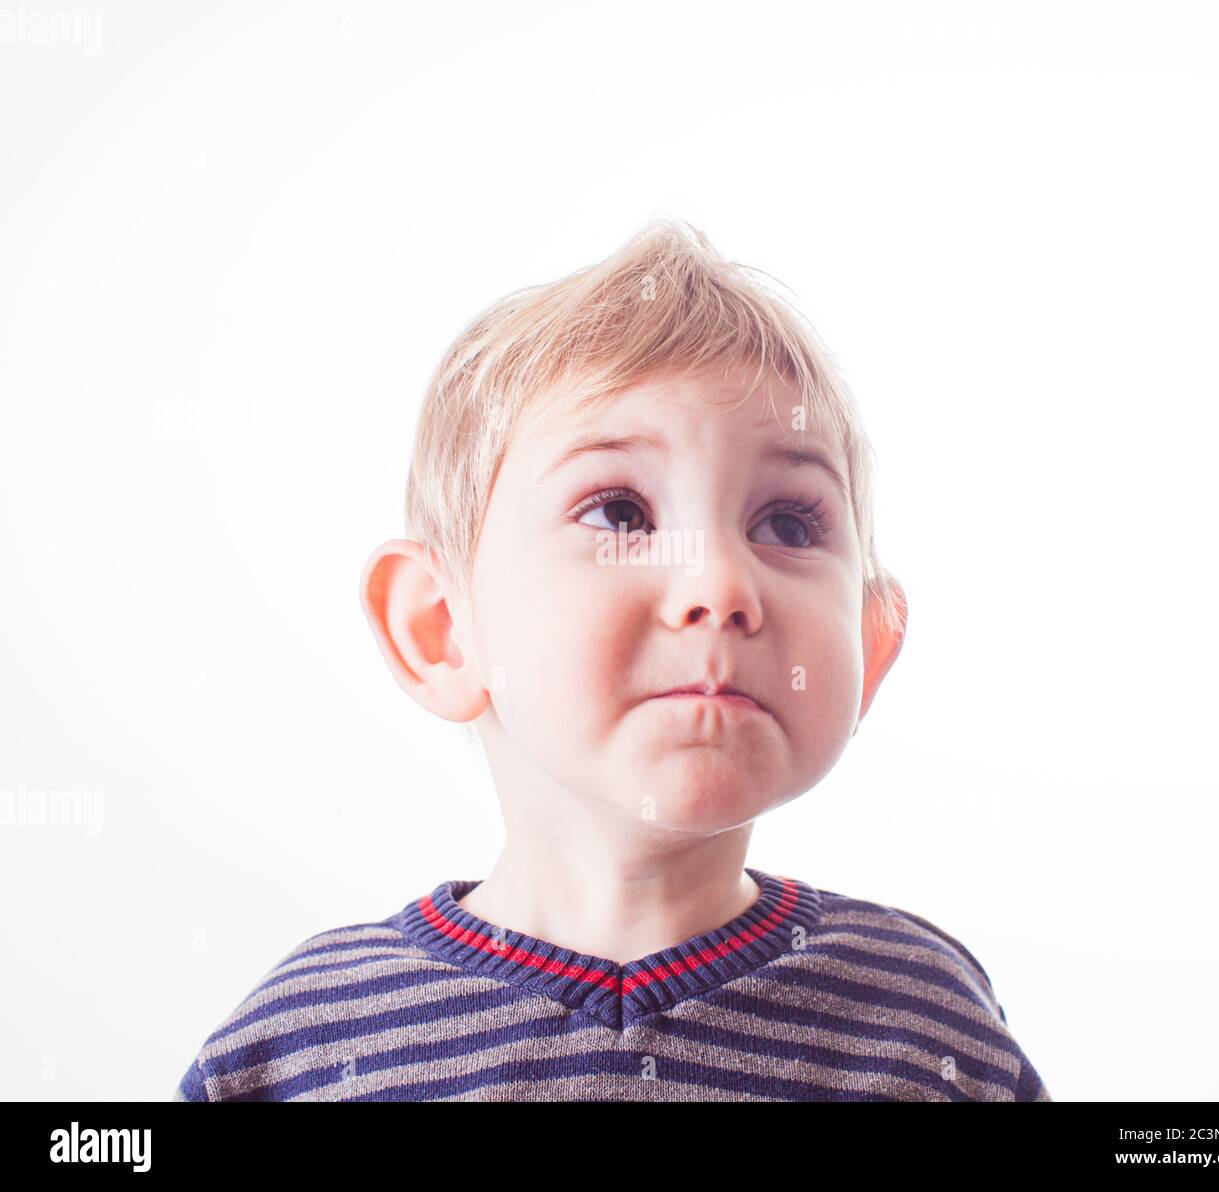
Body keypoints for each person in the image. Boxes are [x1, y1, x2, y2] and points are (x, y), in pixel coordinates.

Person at [174, 217, 1050, 1101]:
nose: (720, 583)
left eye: (790, 523)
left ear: (868, 646)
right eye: (621, 514)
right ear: (439, 629)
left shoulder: (926, 1027)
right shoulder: (301, 1048)